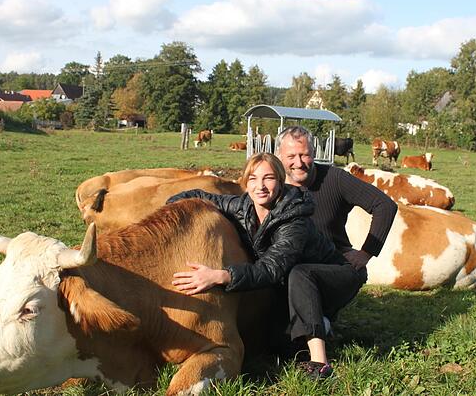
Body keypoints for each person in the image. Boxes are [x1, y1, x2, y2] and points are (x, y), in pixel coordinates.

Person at [167, 153, 364, 379]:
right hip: (291, 286)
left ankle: (321, 364)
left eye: (268, 178)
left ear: (280, 182)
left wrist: (220, 276)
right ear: (246, 182)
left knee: (301, 273)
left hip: (335, 277)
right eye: (253, 178)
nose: (260, 186)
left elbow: (272, 269)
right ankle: (320, 323)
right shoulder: (242, 206)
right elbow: (200, 196)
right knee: (277, 344)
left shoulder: (293, 218)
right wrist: (173, 213)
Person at [275, 126, 397, 270]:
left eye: (304, 155)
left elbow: (384, 205)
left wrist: (366, 253)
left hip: (331, 265)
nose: (299, 163)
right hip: (285, 265)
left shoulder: (334, 178)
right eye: (291, 156)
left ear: (314, 153)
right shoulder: (272, 184)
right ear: (278, 157)